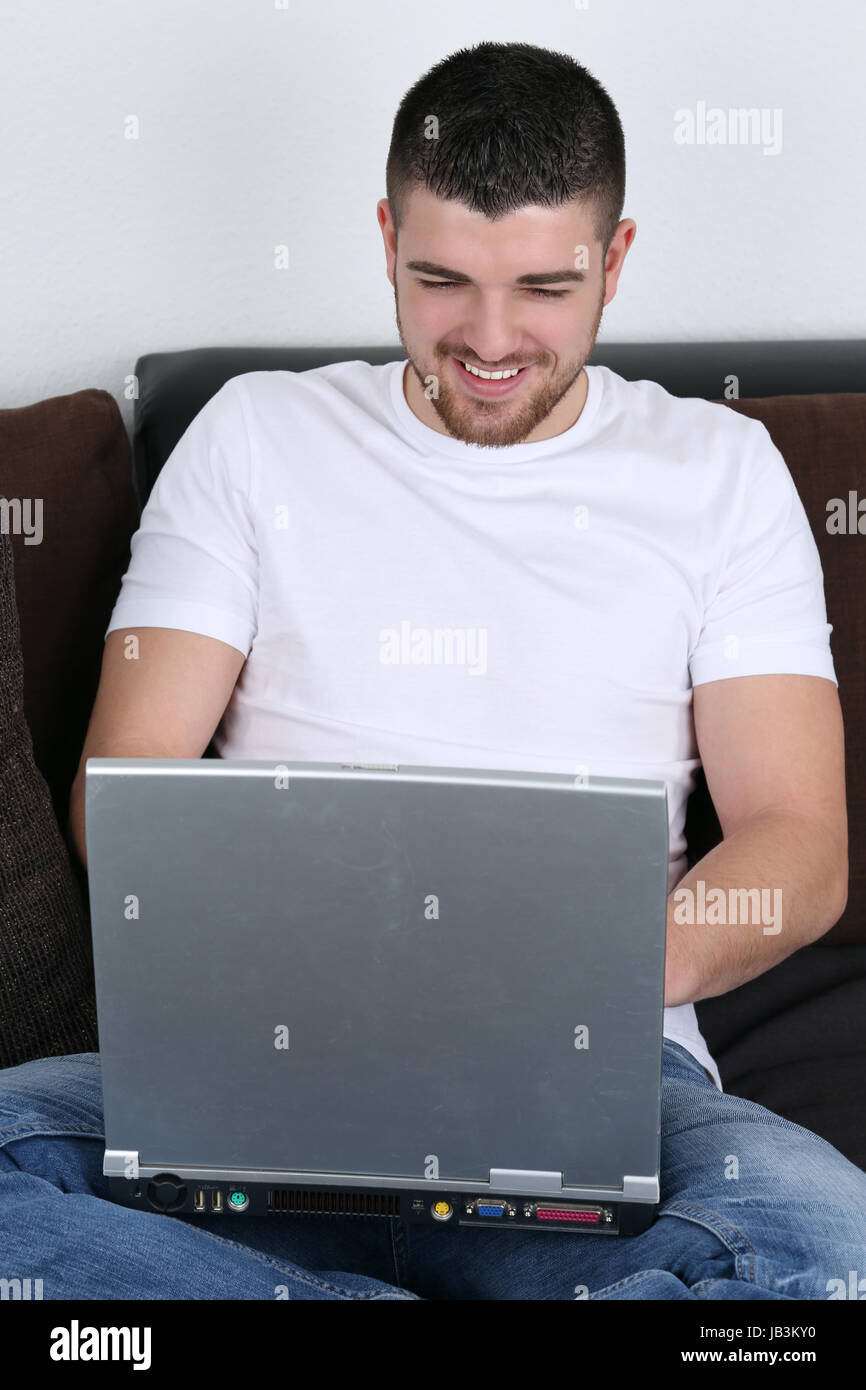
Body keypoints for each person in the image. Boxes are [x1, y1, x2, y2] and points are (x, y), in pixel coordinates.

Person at [2, 41, 864, 1301]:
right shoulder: (253, 438)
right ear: (385, 240)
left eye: (544, 287)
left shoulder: (718, 474)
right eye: (441, 280)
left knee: (826, 1258)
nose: (490, 340)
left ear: (614, 258)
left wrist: (579, 973)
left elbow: (798, 844)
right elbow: (125, 788)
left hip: (599, 1074)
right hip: (263, 1070)